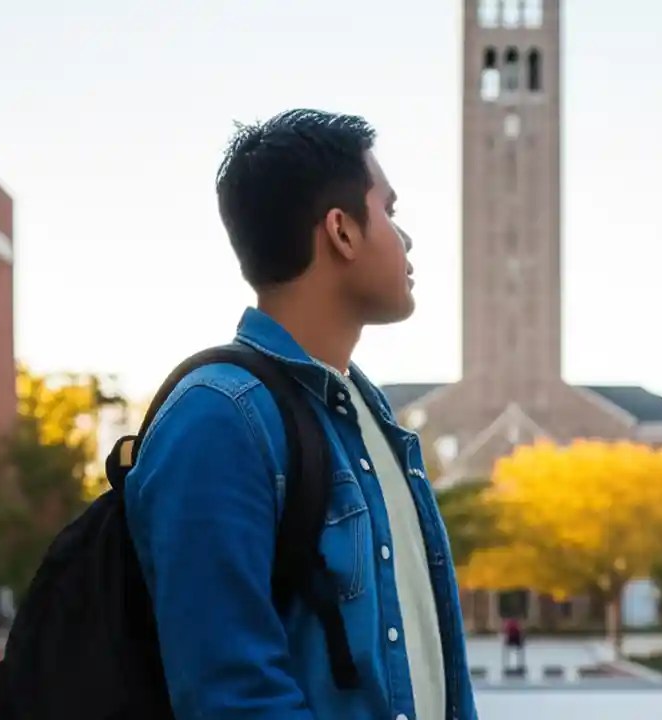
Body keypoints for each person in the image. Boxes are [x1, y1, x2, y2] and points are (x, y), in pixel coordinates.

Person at [123, 109, 478, 720]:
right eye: (390, 211)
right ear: (341, 231)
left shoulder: (370, 416)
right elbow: (232, 699)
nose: (406, 236)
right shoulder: (219, 419)